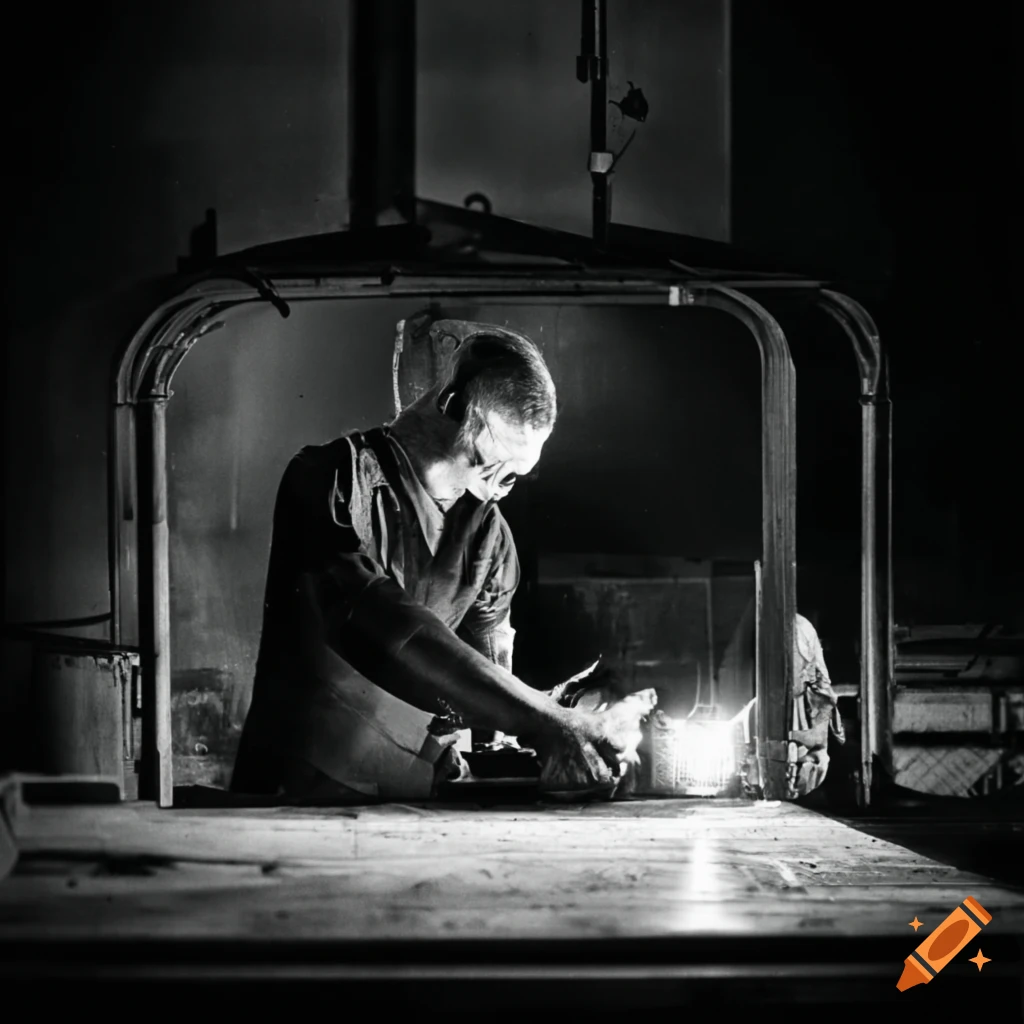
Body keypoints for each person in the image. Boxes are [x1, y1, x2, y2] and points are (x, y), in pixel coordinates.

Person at [231, 323, 643, 802]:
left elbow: (492, 682)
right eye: (486, 463)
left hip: (419, 799)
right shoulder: (335, 480)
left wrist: (570, 715)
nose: (492, 491)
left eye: (512, 477)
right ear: (449, 406)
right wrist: (546, 719)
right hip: (296, 795)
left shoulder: (487, 534)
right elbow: (380, 621)